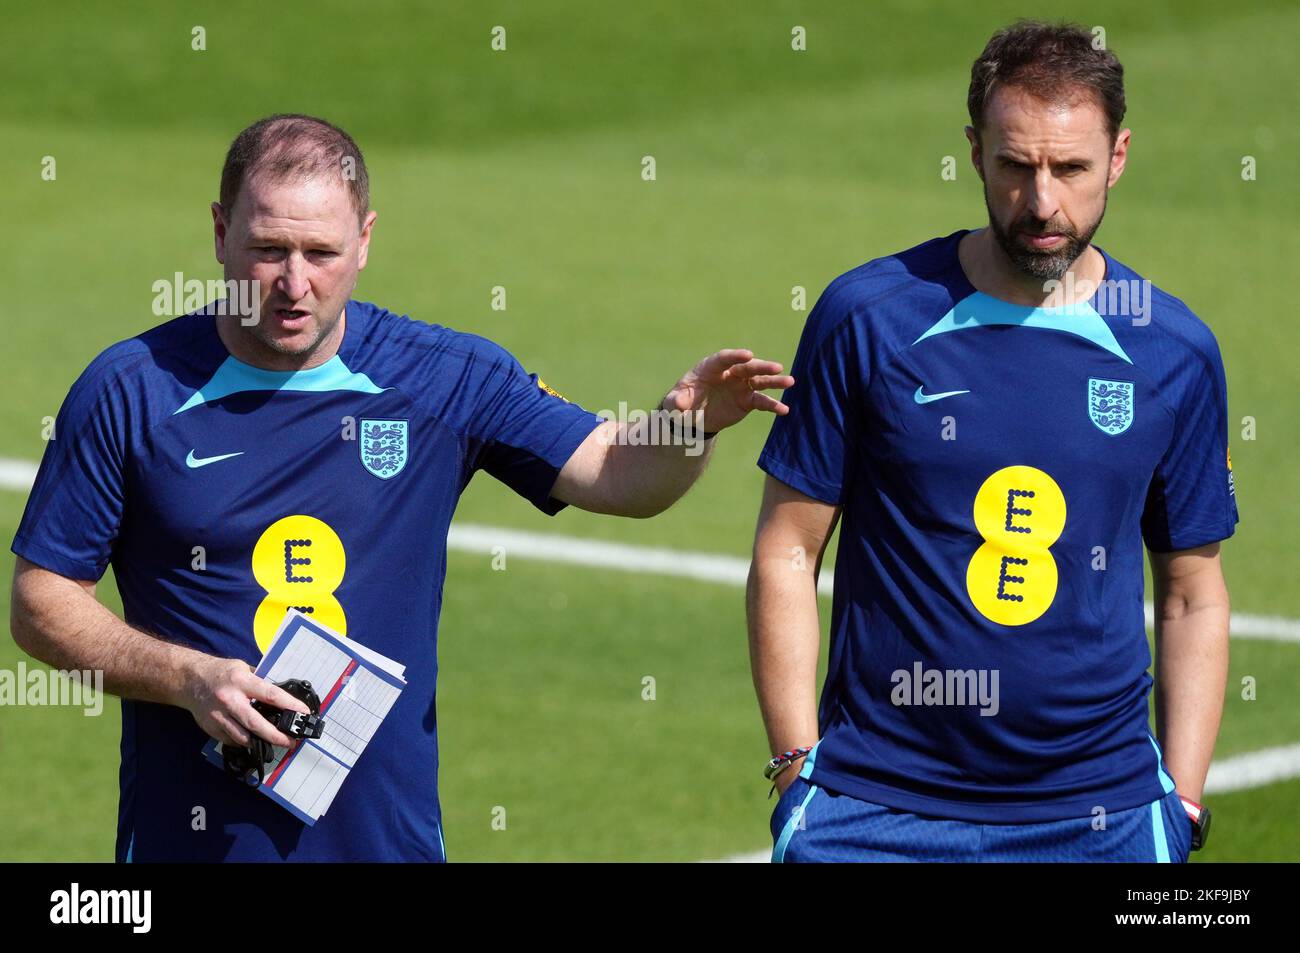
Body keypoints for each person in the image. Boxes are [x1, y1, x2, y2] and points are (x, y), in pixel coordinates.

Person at [9, 113, 793, 862]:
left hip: (387, 843)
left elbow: (621, 473)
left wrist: (686, 426)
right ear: (218, 233)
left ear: (366, 242)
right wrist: (186, 678)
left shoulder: (445, 377)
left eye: (320, 252)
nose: (292, 283)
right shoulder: (130, 391)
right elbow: (42, 602)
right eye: (268, 249)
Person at [749, 21, 1236, 862]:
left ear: (1118, 157)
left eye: (1072, 169)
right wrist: (798, 773)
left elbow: (1192, 588)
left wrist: (1179, 803)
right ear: (974, 153)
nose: (1043, 203)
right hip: (872, 809)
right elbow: (788, 549)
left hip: (1103, 816)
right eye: (1017, 167)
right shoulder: (867, 316)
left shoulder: (1173, 350)